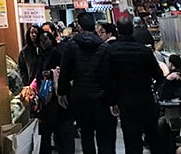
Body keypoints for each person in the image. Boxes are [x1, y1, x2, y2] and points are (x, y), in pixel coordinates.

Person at [57, 11, 115, 154]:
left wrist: (61, 92)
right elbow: (109, 75)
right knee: (104, 135)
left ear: (79, 27)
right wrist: (113, 100)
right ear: (94, 26)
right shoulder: (104, 47)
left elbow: (65, 70)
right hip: (101, 98)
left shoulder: (71, 46)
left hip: (80, 97)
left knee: (86, 134)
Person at [105, 16, 164, 154]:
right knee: (153, 137)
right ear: (132, 30)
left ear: (118, 31)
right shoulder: (144, 50)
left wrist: (112, 101)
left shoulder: (111, 52)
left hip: (125, 101)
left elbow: (107, 78)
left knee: (132, 140)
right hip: (145, 99)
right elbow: (158, 75)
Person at [34, 30, 75, 154]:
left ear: (51, 40)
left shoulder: (58, 54)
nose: (43, 43)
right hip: (46, 98)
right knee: (50, 130)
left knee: (62, 131)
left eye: (45, 40)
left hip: (58, 97)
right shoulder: (40, 56)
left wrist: (51, 74)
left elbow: (64, 73)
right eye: (41, 41)